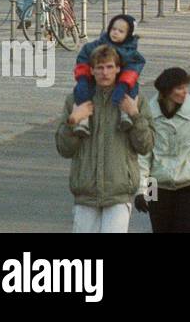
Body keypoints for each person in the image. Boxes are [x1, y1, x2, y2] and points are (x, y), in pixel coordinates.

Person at [56, 43, 154, 233]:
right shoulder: (76, 100)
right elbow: (64, 149)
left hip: (118, 192)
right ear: (91, 70)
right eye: (99, 68)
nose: (105, 73)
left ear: (118, 69)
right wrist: (73, 121)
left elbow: (146, 145)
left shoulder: (134, 100)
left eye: (110, 67)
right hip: (86, 191)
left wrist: (134, 115)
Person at [136, 67, 190, 233]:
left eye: (186, 87)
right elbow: (143, 155)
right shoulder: (148, 115)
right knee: (159, 230)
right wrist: (141, 191)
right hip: (155, 185)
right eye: (179, 88)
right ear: (165, 92)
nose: (185, 92)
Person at [72, 14, 145, 135]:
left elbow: (135, 67)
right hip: (95, 78)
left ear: (128, 35)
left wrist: (125, 82)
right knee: (81, 91)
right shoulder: (97, 44)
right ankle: (83, 121)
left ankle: (125, 114)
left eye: (121, 31)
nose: (115, 33)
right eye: (113, 29)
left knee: (131, 91)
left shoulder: (129, 51)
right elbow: (83, 57)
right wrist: (83, 76)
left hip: (122, 79)